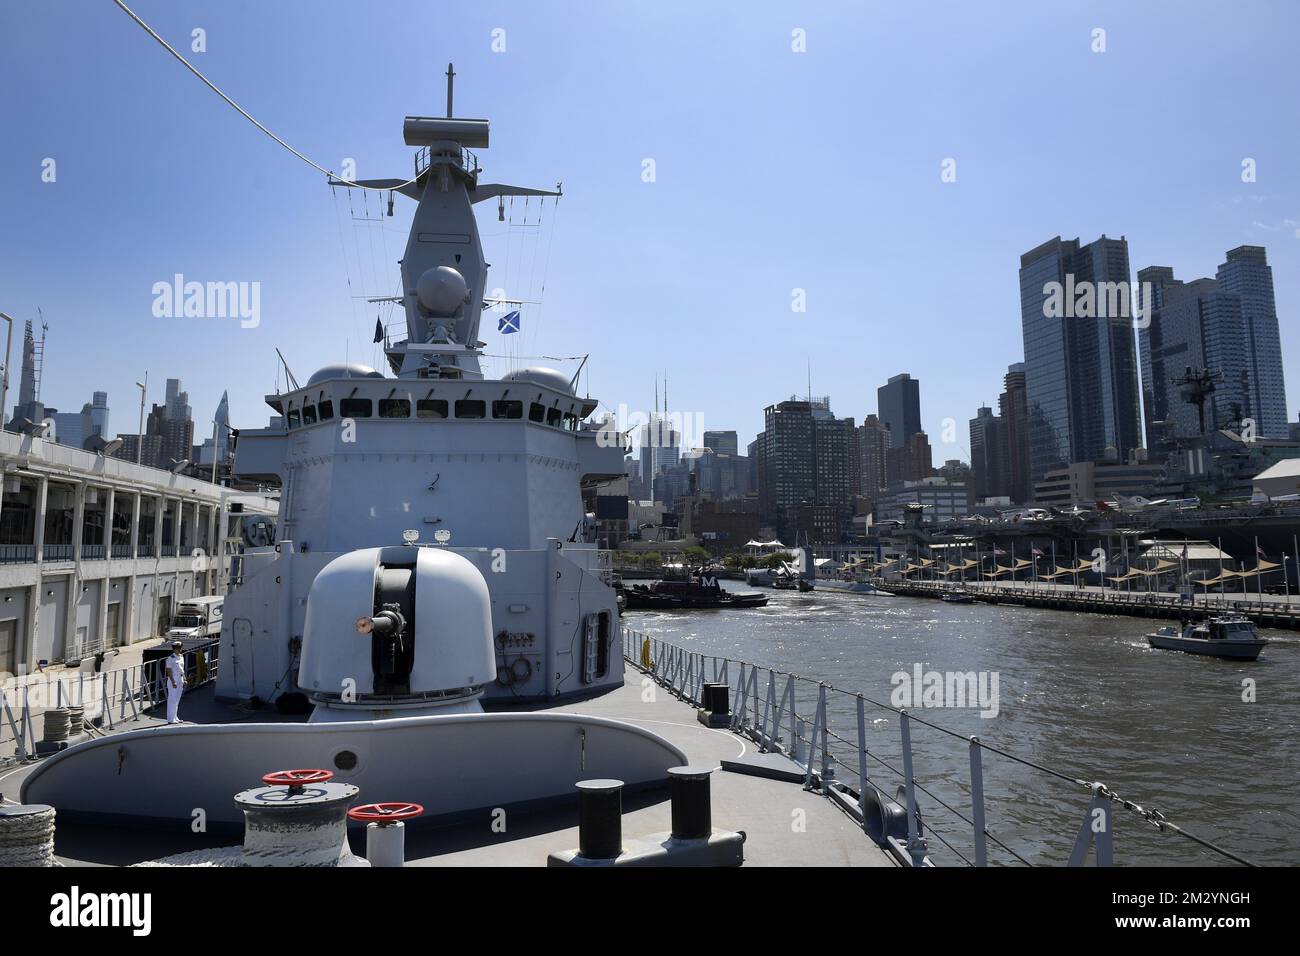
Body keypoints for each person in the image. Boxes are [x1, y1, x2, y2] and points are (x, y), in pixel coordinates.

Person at [165, 641, 185, 724]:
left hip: (180, 680)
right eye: (177, 648)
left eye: (180, 648)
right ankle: (170, 719)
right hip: (173, 681)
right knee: (172, 700)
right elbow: (169, 671)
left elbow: (181, 669)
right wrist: (173, 682)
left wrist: (185, 678)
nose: (179, 650)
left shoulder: (181, 657)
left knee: (177, 700)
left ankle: (175, 717)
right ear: (173, 649)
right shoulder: (170, 659)